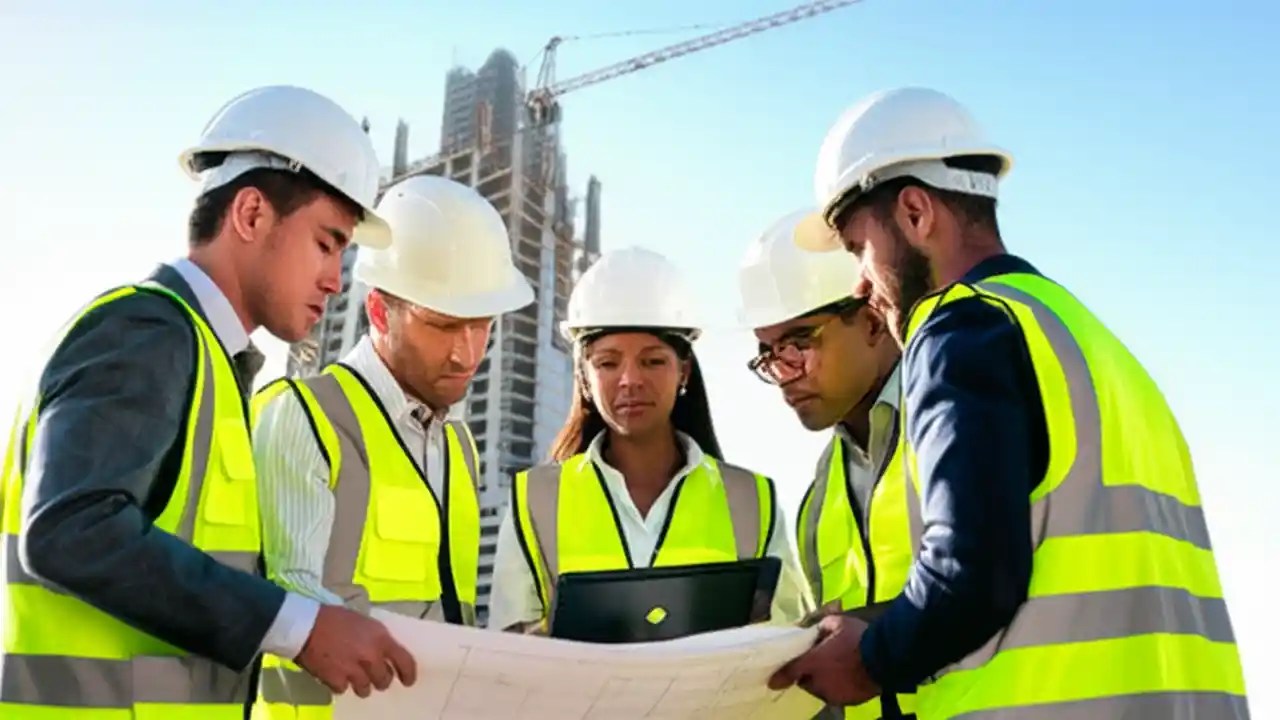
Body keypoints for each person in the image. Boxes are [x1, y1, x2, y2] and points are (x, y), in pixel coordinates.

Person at [770, 86, 1251, 718]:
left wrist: (870, 657)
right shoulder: (1089, 340)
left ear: (915, 213)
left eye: (859, 247)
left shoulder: (960, 329)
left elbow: (970, 573)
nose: (862, 282)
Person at [0, 85, 418, 718]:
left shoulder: (212, 367)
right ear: (250, 215)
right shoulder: (147, 331)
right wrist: (298, 627)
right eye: (327, 243)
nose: (336, 280)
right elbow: (69, 529)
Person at [249, 174, 534, 718]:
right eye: (444, 326)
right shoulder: (305, 416)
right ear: (379, 310)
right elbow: (295, 606)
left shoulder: (457, 444)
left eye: (483, 327)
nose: (467, 355)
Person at [487, 246, 813, 634]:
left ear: (684, 371)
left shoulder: (751, 500)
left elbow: (785, 641)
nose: (630, 380)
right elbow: (507, 652)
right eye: (608, 362)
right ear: (584, 378)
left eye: (653, 360)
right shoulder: (535, 499)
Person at [738, 209, 916, 720]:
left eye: (799, 343)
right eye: (769, 354)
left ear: (872, 320)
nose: (785, 372)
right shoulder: (819, 497)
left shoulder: (955, 420)